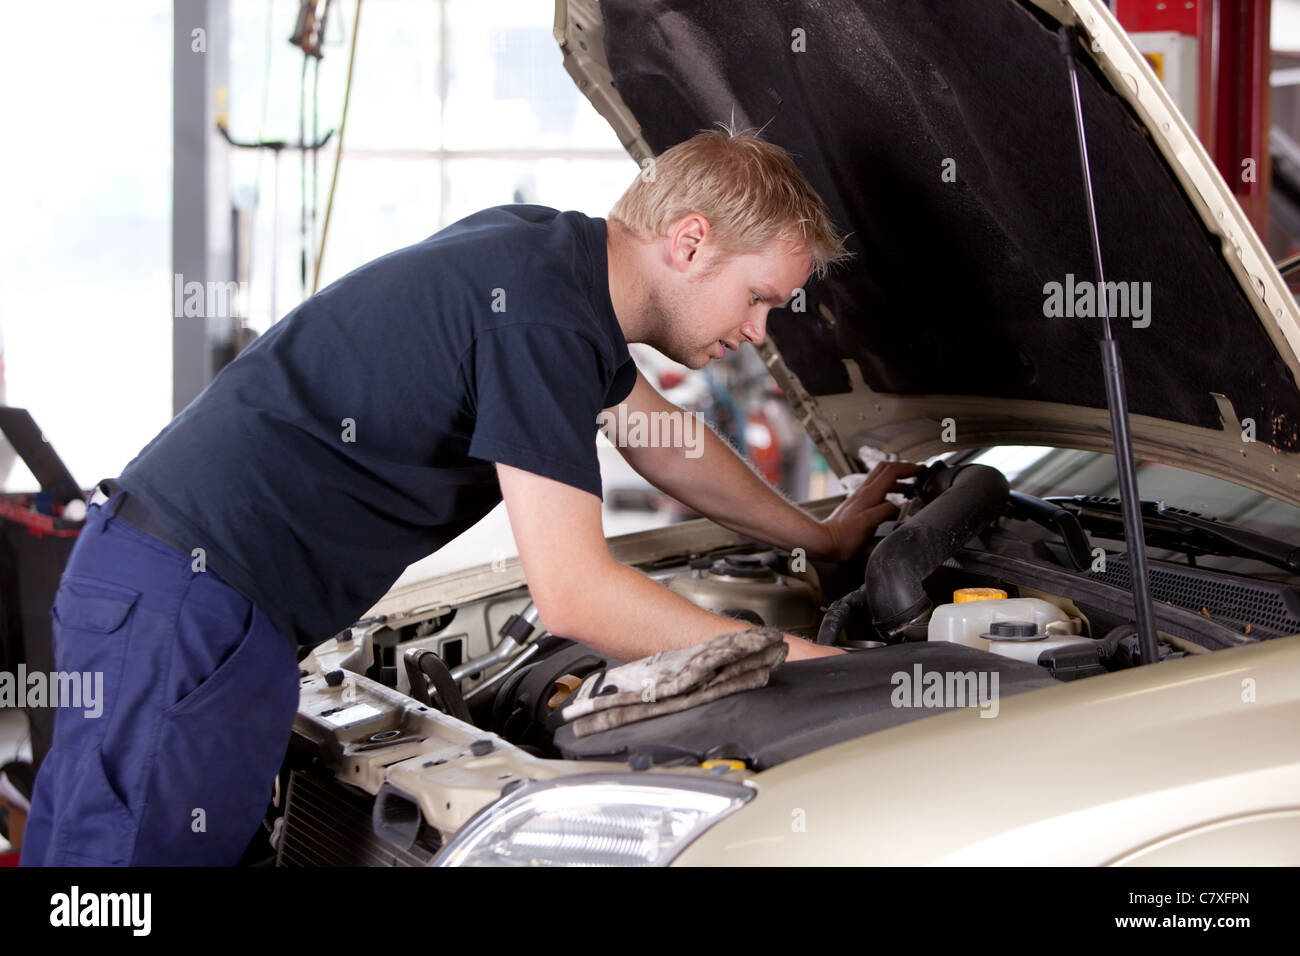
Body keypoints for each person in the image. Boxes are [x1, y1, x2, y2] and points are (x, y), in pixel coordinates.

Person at [21, 126, 917, 866]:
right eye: (759, 299)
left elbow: (666, 444)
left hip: (177, 596)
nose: (759, 335)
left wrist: (822, 537)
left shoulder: (549, 258)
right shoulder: (546, 316)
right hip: (192, 612)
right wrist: (805, 664)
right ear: (689, 242)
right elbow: (574, 592)